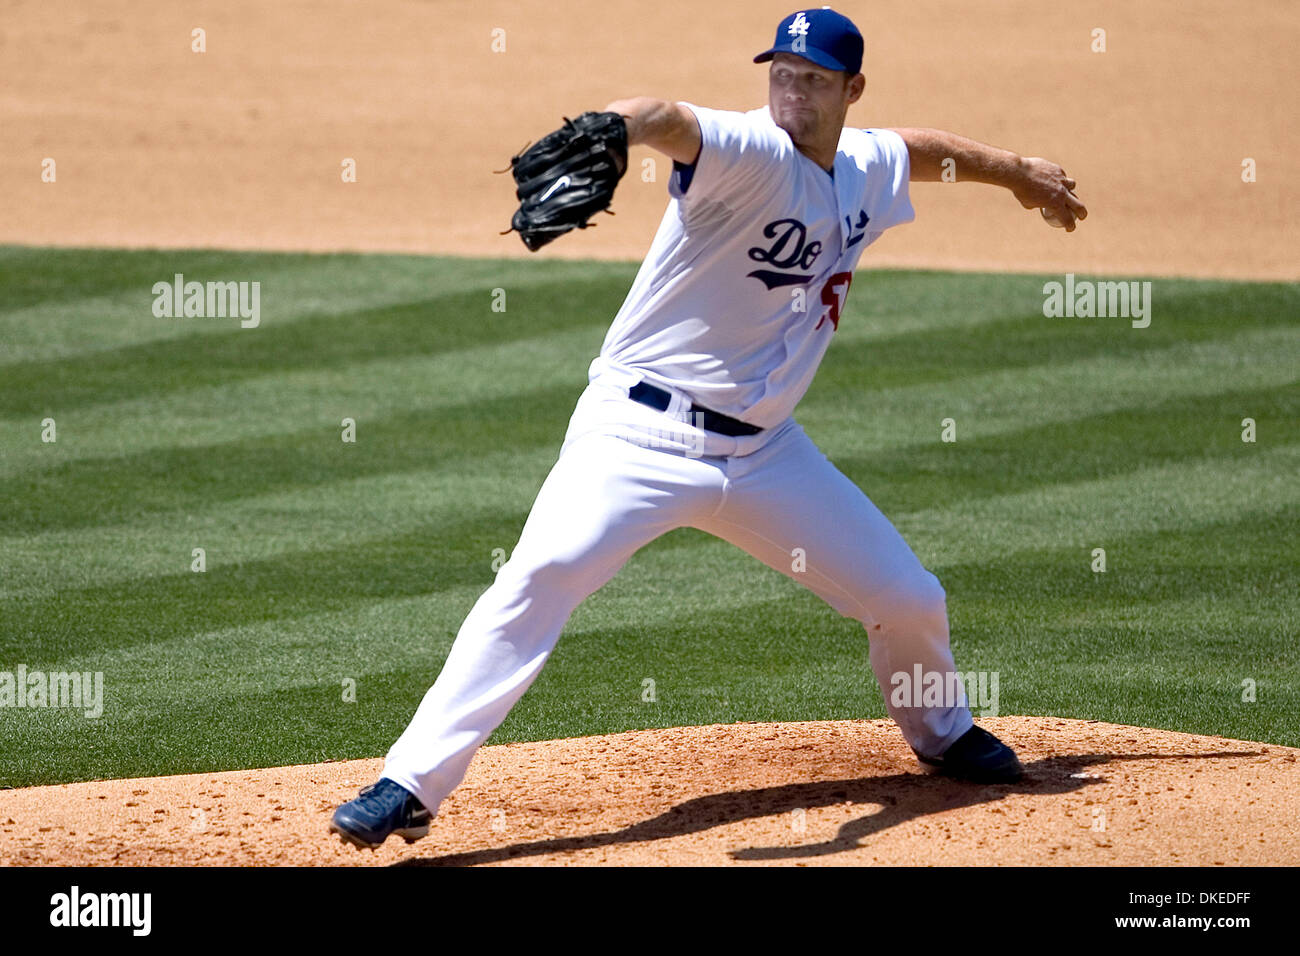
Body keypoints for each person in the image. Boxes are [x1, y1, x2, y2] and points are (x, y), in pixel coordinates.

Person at [330, 7, 1087, 850]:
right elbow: (667, 118)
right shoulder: (750, 149)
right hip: (636, 435)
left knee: (906, 597)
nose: (792, 94)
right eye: (782, 75)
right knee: (539, 576)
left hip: (764, 453)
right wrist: (614, 129)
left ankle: (943, 735)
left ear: (851, 90)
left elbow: (919, 149)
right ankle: (409, 783)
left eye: (814, 81)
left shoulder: (867, 162)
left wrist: (1019, 171)